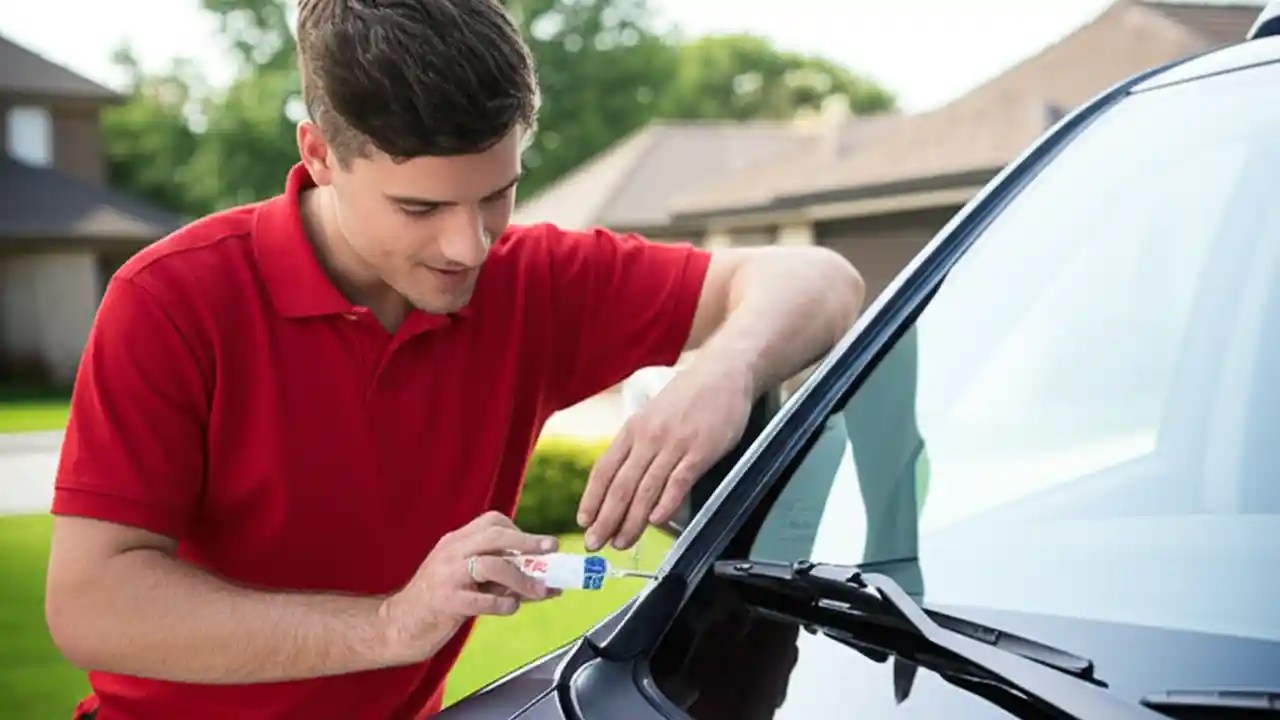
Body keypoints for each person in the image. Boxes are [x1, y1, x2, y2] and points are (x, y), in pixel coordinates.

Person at [42, 1, 865, 718]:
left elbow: (823, 279)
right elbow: (92, 603)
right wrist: (391, 625)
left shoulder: (534, 283)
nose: (467, 246)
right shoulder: (173, 300)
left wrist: (723, 370)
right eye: (419, 206)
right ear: (321, 154)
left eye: (497, 193)